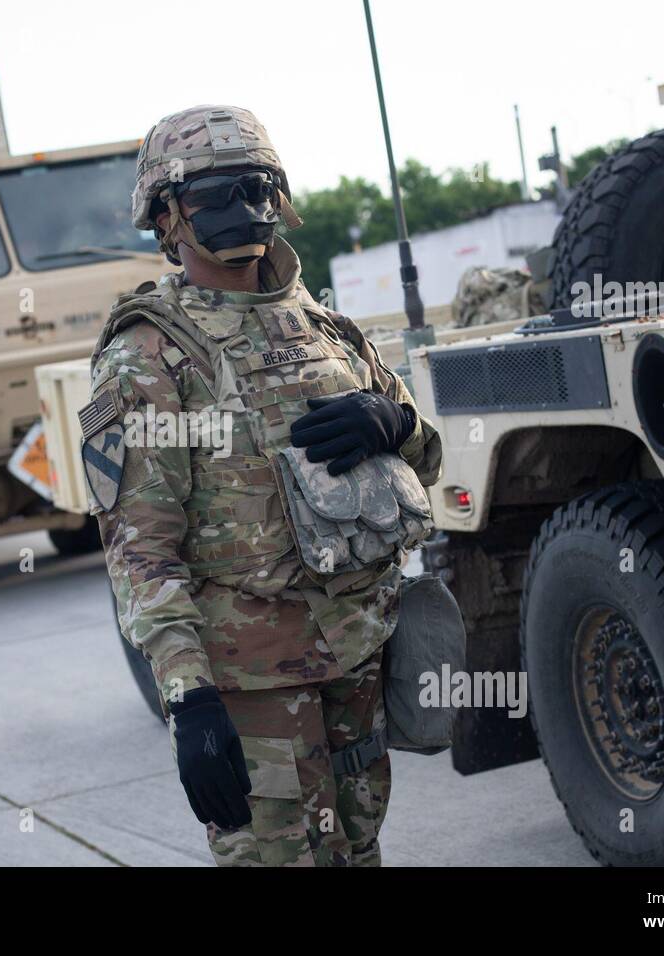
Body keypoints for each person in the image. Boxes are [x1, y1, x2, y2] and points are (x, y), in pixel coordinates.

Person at [85, 106, 442, 866]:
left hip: (357, 650)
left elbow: (427, 465)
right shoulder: (148, 355)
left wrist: (392, 421)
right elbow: (140, 551)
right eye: (213, 195)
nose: (242, 209)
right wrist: (188, 697)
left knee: (360, 848)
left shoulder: (330, 331)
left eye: (257, 187)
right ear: (167, 215)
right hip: (247, 678)